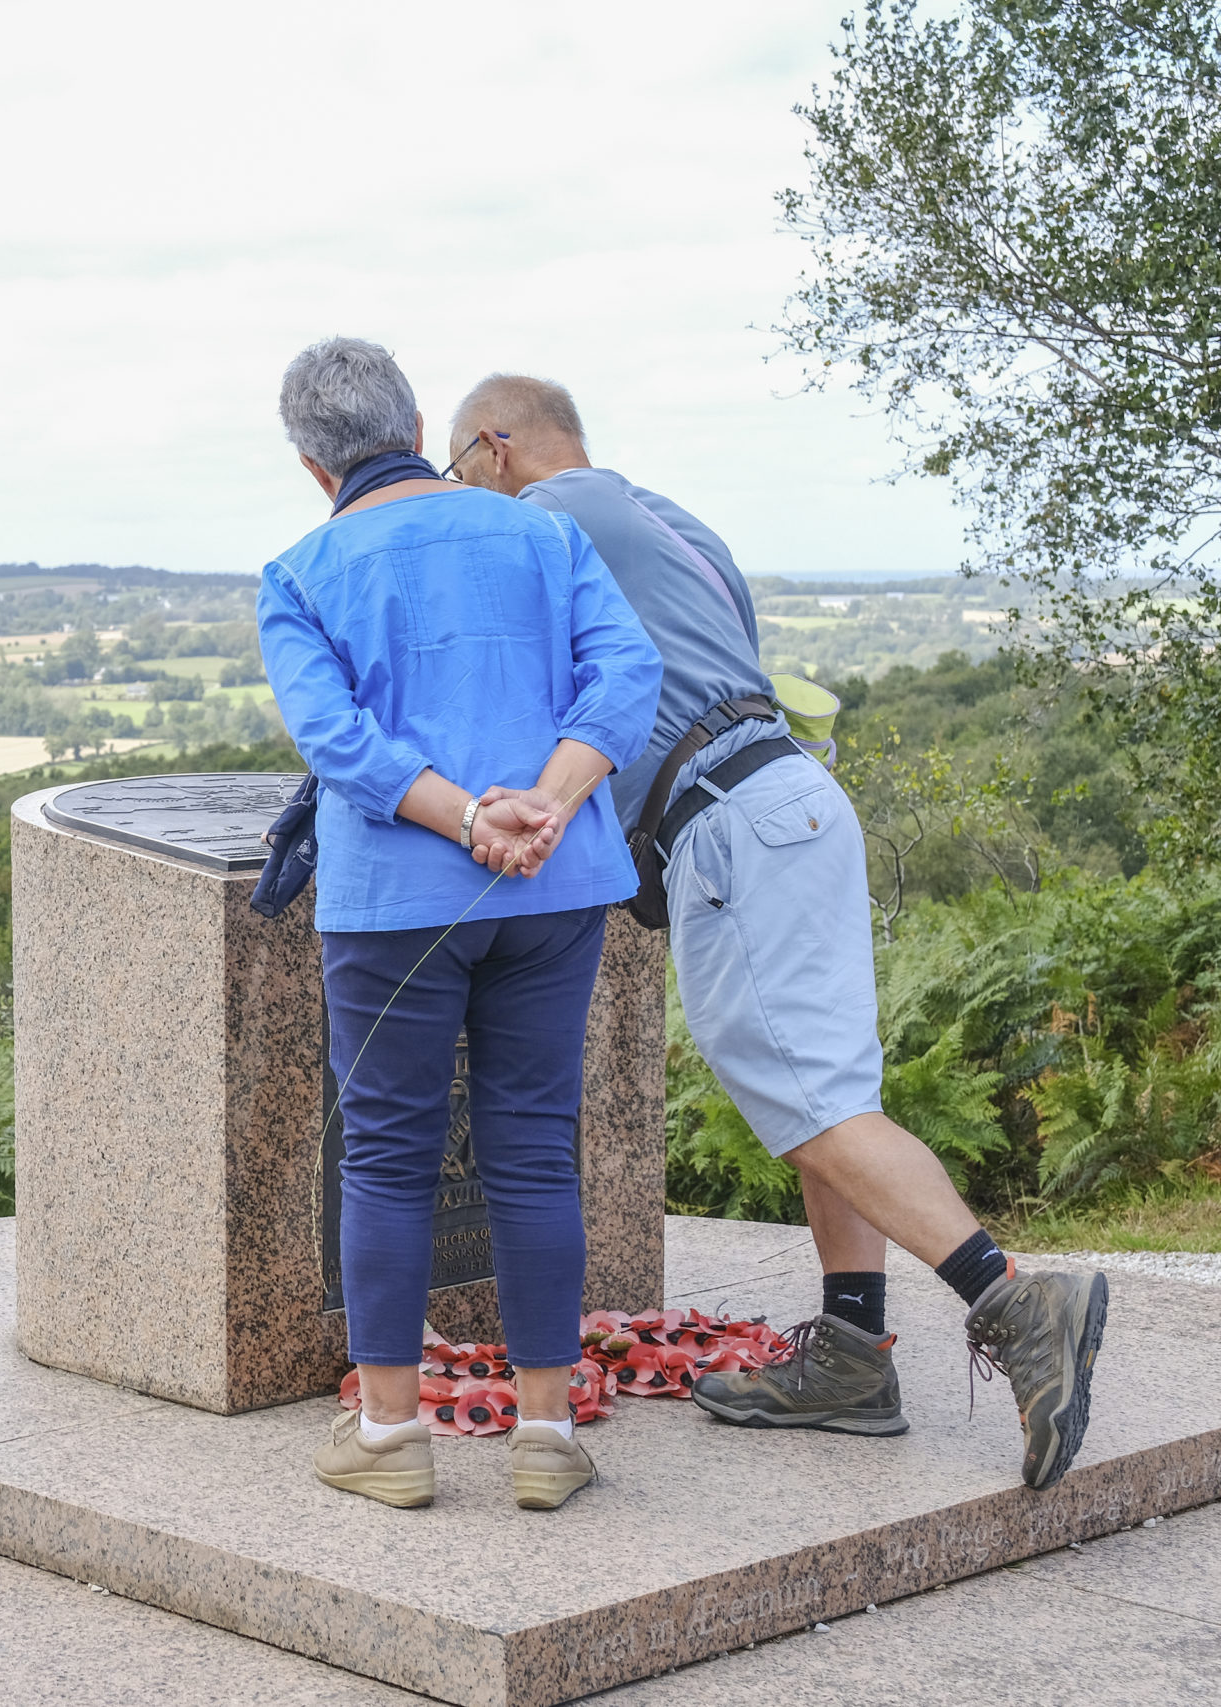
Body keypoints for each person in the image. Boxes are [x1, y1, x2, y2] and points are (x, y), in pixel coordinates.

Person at [447, 373, 1109, 1492]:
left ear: (495, 446)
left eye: (462, 466)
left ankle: (1012, 1301)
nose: (466, 488)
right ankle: (851, 1353)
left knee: (814, 1106)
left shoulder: (547, 516)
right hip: (795, 799)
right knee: (828, 1094)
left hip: (729, 827)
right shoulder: (677, 525)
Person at [261, 339, 662, 1511]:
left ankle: (389, 1437)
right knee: (533, 1148)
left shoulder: (299, 572)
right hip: (555, 884)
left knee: (388, 1156)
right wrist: (546, 801)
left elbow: (334, 739)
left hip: (395, 903)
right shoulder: (542, 535)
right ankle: (545, 1434)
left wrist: (465, 816)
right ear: (414, 427)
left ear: (312, 465)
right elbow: (624, 674)